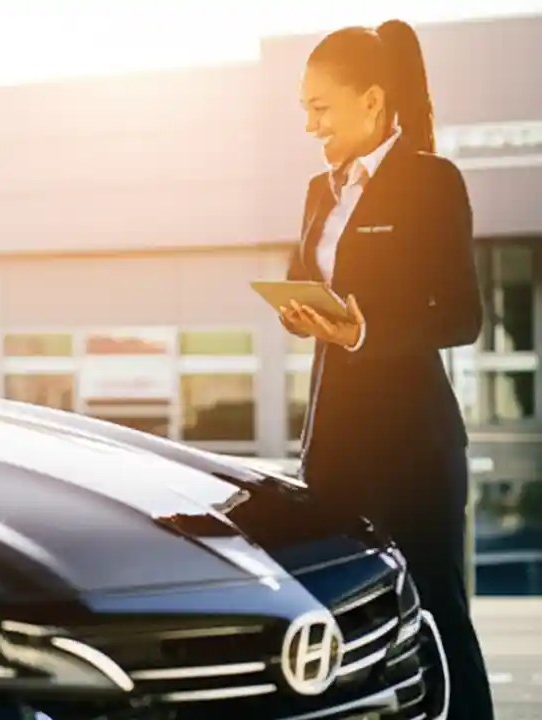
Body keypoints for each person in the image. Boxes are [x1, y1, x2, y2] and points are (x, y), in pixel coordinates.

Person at [279, 19, 493, 718]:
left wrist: (364, 328)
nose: (310, 124)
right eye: (304, 108)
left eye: (321, 108)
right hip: (333, 447)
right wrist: (299, 311)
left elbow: (462, 317)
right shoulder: (320, 190)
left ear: (372, 101)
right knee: (339, 620)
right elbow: (302, 276)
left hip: (414, 448)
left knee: (434, 612)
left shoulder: (433, 182)